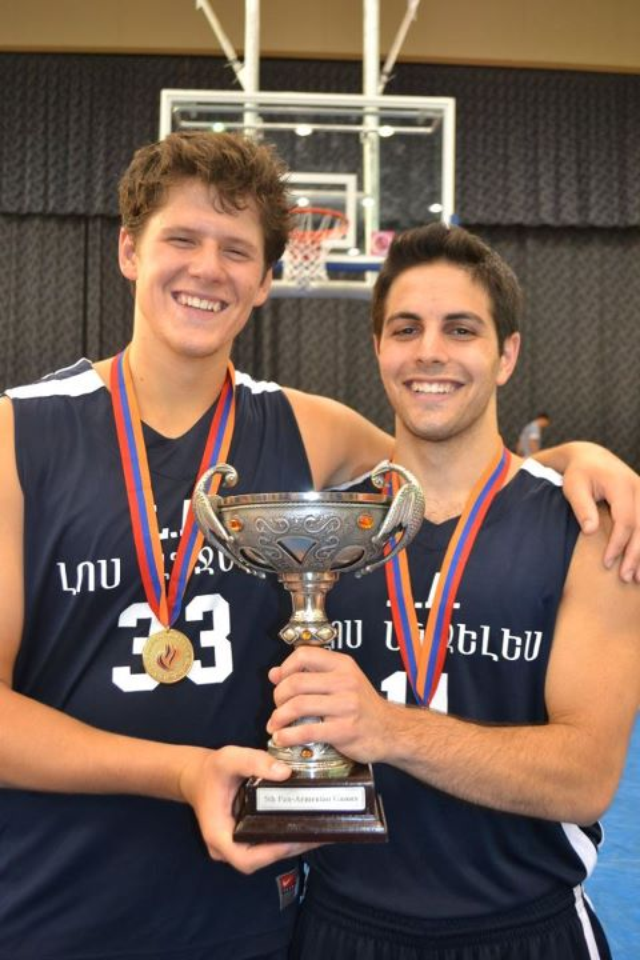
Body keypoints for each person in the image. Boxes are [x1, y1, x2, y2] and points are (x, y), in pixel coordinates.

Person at [0, 134, 638, 960]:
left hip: (248, 915)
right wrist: (182, 773)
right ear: (128, 249)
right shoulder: (19, 433)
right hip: (53, 902)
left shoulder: (311, 432)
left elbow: (451, 469)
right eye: (181, 240)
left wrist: (575, 462)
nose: (207, 269)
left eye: (237, 250)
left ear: (268, 280)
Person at [268, 224, 640, 960]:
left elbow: (585, 778)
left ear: (506, 355)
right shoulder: (320, 534)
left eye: (461, 329)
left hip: (525, 931)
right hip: (340, 928)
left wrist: (388, 729)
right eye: (406, 329)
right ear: (378, 349)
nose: (430, 351)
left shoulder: (587, 527)